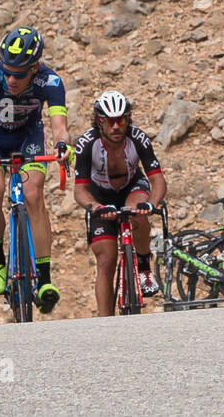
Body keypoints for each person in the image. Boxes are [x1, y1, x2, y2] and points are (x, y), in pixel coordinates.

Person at [0, 26, 71, 313]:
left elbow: (59, 127)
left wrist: (61, 147)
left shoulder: (51, 81)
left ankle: (44, 279)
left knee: (33, 196)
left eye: (19, 74)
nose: (11, 79)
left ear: (35, 68)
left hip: (28, 138)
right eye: (7, 71)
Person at [72, 91, 168, 316]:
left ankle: (144, 267)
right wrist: (94, 207)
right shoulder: (86, 144)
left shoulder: (138, 139)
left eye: (121, 120)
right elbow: (80, 190)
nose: (116, 126)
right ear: (99, 122)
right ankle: (105, 322)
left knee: (138, 212)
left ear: (128, 119)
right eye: (110, 121)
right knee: (106, 260)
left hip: (131, 186)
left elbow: (158, 180)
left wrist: (152, 204)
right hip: (100, 195)